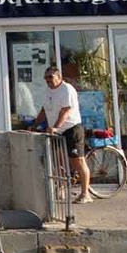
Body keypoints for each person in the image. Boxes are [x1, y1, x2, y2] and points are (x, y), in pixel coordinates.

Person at [35, 65, 93, 202]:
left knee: (78, 161)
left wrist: (55, 127)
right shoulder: (47, 91)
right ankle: (61, 190)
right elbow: (44, 110)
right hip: (55, 131)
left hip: (71, 128)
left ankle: (86, 194)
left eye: (50, 77)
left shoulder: (67, 89)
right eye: (46, 78)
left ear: (59, 77)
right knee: (57, 162)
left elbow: (65, 111)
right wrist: (34, 125)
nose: (48, 80)